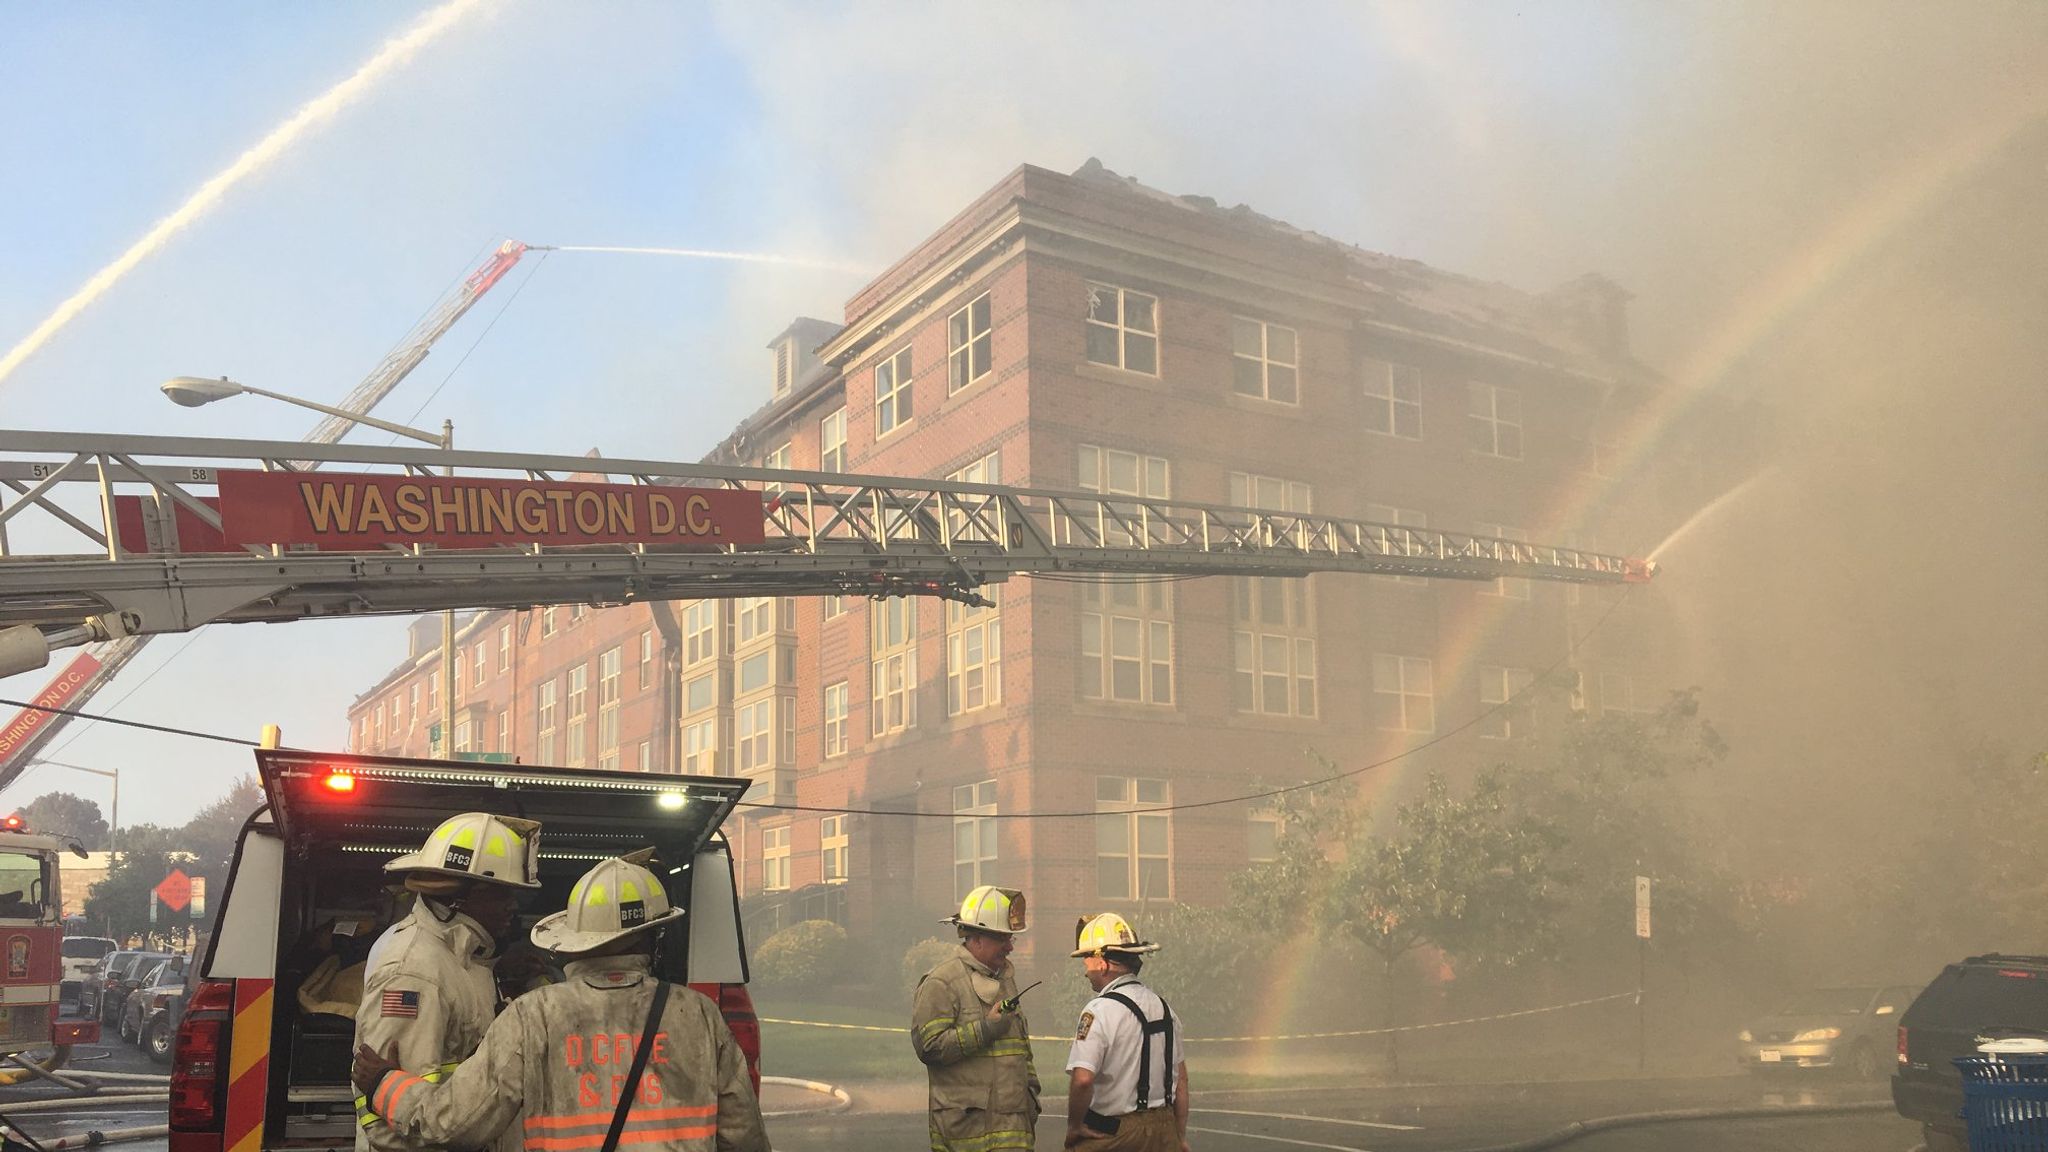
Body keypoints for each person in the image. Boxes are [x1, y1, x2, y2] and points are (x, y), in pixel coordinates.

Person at [352, 849, 767, 1152]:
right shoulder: (699, 1014)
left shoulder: (533, 1015)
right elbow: (742, 1134)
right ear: (655, 939)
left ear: (574, 942)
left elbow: (454, 1122)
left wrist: (385, 1085)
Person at [354, 812, 543, 1152]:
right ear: (462, 894)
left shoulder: (466, 961)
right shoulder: (414, 972)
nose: (513, 906)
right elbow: (384, 1122)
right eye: (503, 893)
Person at [911, 885, 1042, 1152]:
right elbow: (929, 1048)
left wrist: (1031, 1097)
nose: (1009, 948)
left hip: (1014, 1133)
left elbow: (1021, 1051)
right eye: (1002, 939)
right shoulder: (942, 982)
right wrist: (985, 1029)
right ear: (976, 938)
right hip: (965, 1135)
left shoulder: (1005, 981)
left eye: (1011, 939)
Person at [1064, 913, 1188, 1152]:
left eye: (1086, 960)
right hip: (1165, 1133)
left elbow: (1082, 1080)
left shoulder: (1098, 1011)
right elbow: (1181, 1081)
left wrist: (1074, 1126)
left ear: (1102, 962)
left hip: (1116, 1133)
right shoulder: (1166, 1010)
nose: (1085, 970)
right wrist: (1179, 1136)